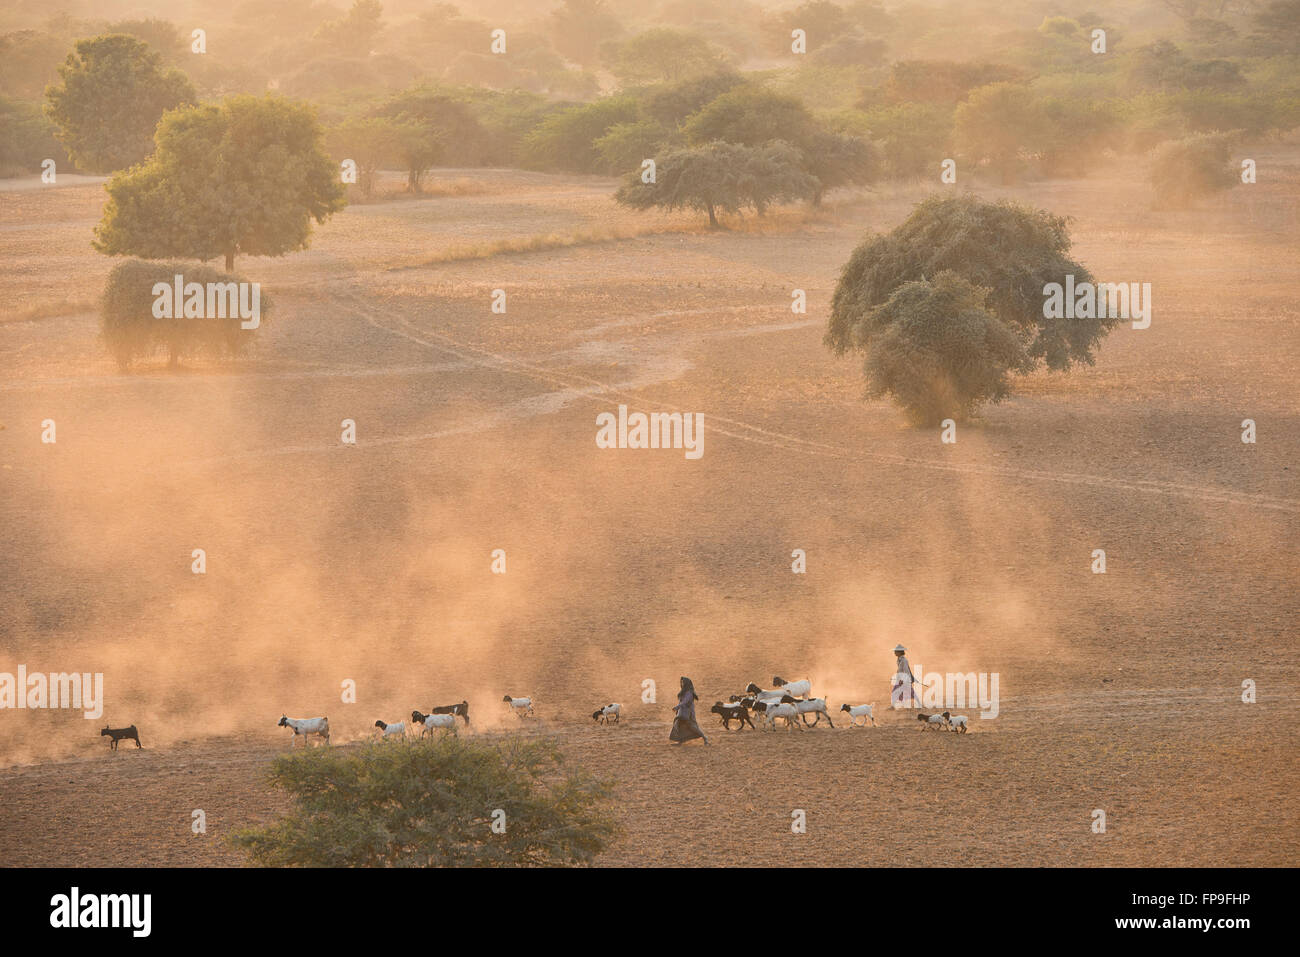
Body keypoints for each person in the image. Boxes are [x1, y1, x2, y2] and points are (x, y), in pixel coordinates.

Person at [669, 676, 709, 745]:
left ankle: (704, 738)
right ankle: (680, 741)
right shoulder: (684, 692)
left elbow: (685, 702)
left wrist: (677, 707)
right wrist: (678, 709)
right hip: (682, 712)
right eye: (681, 682)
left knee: (692, 726)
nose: (681, 684)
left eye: (683, 682)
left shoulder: (689, 692)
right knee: (679, 725)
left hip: (688, 713)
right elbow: (681, 702)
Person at [891, 644, 919, 709]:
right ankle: (918, 704)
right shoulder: (900, 659)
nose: (894, 652)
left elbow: (906, 671)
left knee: (896, 692)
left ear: (900, 652)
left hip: (904, 679)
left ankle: (893, 706)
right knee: (910, 692)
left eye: (896, 651)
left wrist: (903, 679)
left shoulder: (904, 660)